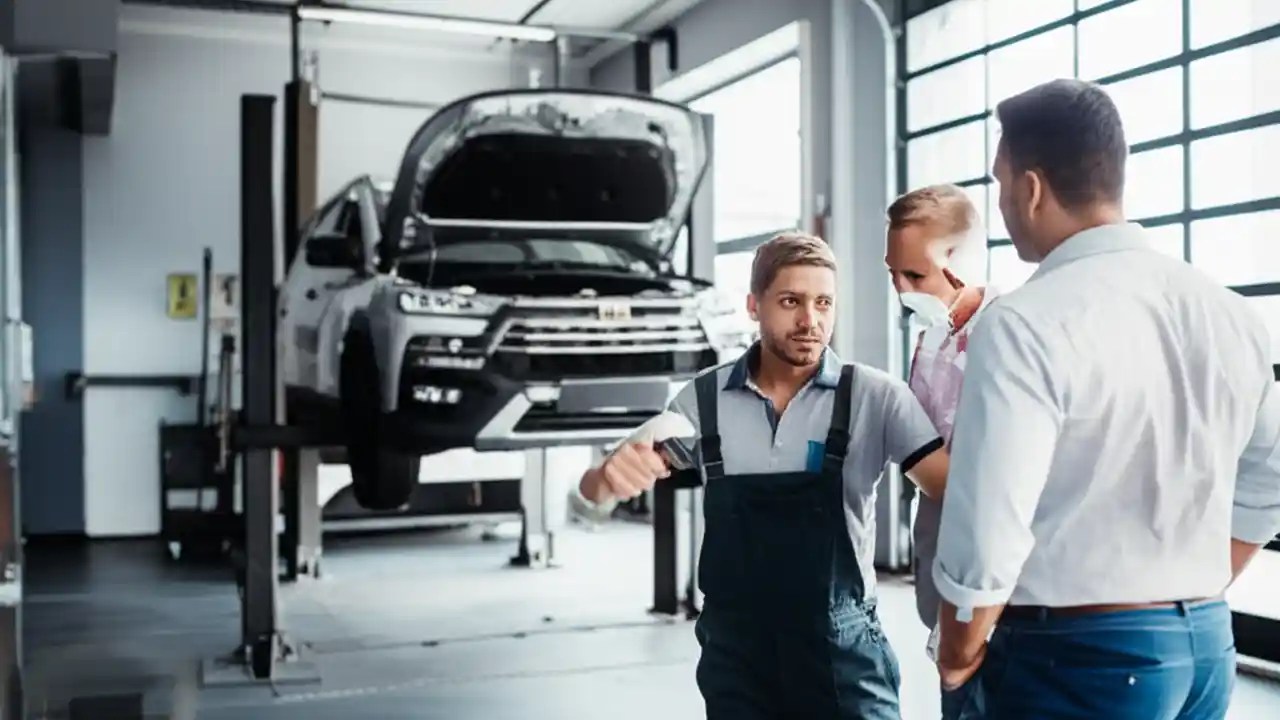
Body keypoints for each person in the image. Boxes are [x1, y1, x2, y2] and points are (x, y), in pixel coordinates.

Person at [931, 78, 1280, 719]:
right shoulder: (1232, 314)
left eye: (1002, 183)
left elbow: (989, 523)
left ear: (1031, 189)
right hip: (1205, 648)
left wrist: (956, 649)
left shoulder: (1025, 321)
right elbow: (1271, 481)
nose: (1003, 204)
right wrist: (1190, 593)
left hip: (1074, 654)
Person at [577, 231, 950, 719]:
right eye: (791, 301)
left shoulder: (875, 397)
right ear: (755, 306)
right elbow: (591, 496)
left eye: (824, 303)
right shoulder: (703, 400)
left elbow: (952, 490)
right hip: (737, 654)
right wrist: (606, 478)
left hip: (843, 650)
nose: (810, 321)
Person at [883, 184, 998, 638]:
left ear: (959, 264)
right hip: (939, 543)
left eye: (915, 274)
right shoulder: (931, 338)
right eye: (893, 273)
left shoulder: (1006, 332)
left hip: (990, 562)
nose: (901, 289)